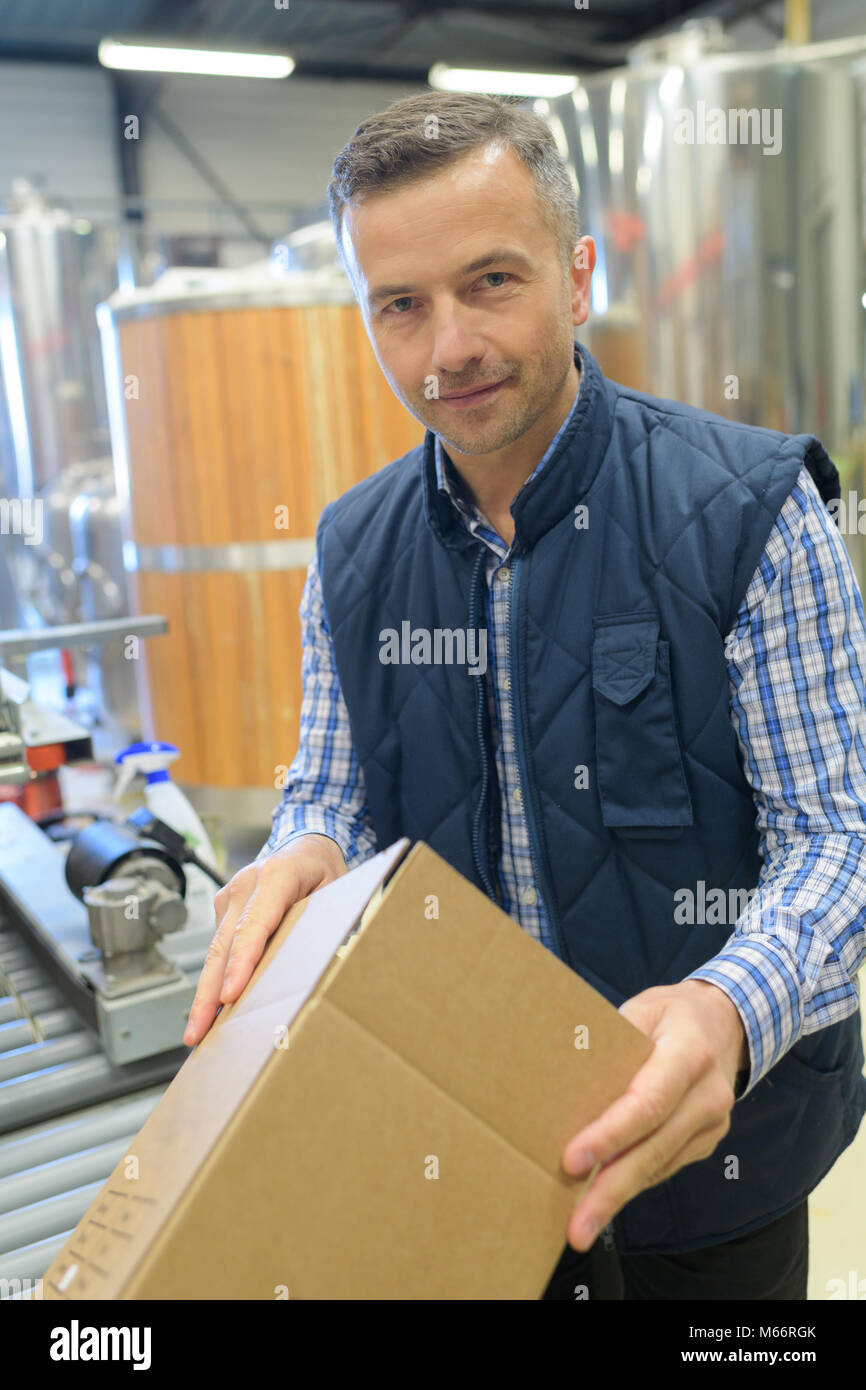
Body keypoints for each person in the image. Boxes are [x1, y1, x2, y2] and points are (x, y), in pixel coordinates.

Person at [183, 91, 866, 1300]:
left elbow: (836, 836)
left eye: (489, 281)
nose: (445, 348)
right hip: (469, 1152)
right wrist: (300, 850)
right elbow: (330, 790)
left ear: (575, 274)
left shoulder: (751, 511)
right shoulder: (351, 553)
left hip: (720, 1172)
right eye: (399, 304)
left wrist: (729, 1007)